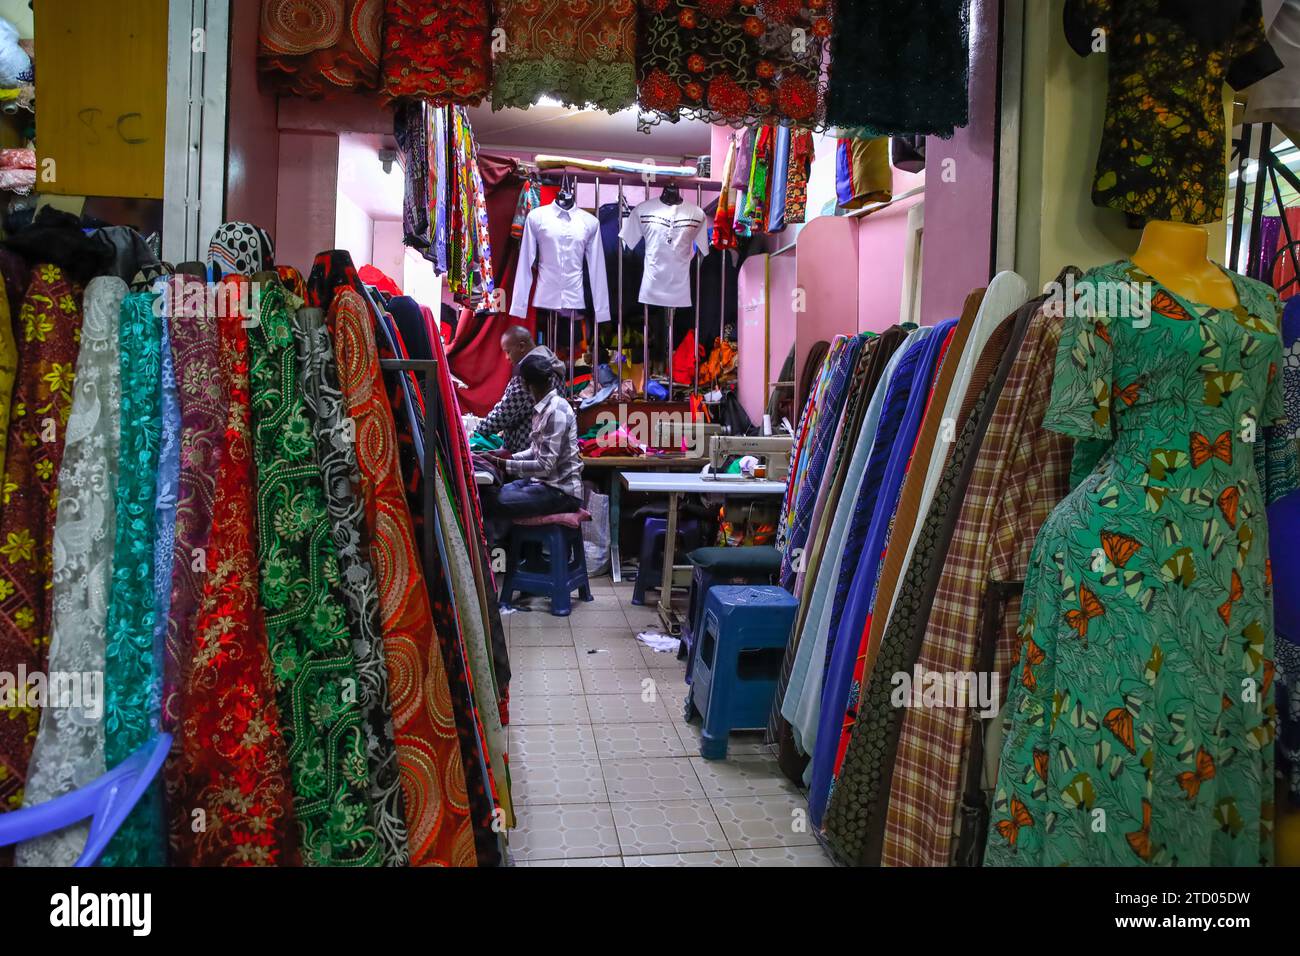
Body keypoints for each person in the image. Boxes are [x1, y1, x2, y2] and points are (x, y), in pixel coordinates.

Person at [480, 352, 584, 545]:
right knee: (487, 492)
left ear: (526, 385)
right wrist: (504, 456)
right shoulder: (543, 409)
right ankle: (514, 555)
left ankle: (499, 554)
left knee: (488, 502)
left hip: (561, 493)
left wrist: (502, 463)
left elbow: (545, 466)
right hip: (543, 484)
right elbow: (535, 451)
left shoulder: (555, 412)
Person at [475, 325, 565, 453]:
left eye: (508, 351)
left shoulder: (531, 371)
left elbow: (506, 412)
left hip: (528, 448)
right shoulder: (550, 362)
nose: (507, 357)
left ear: (521, 346)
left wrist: (478, 431)